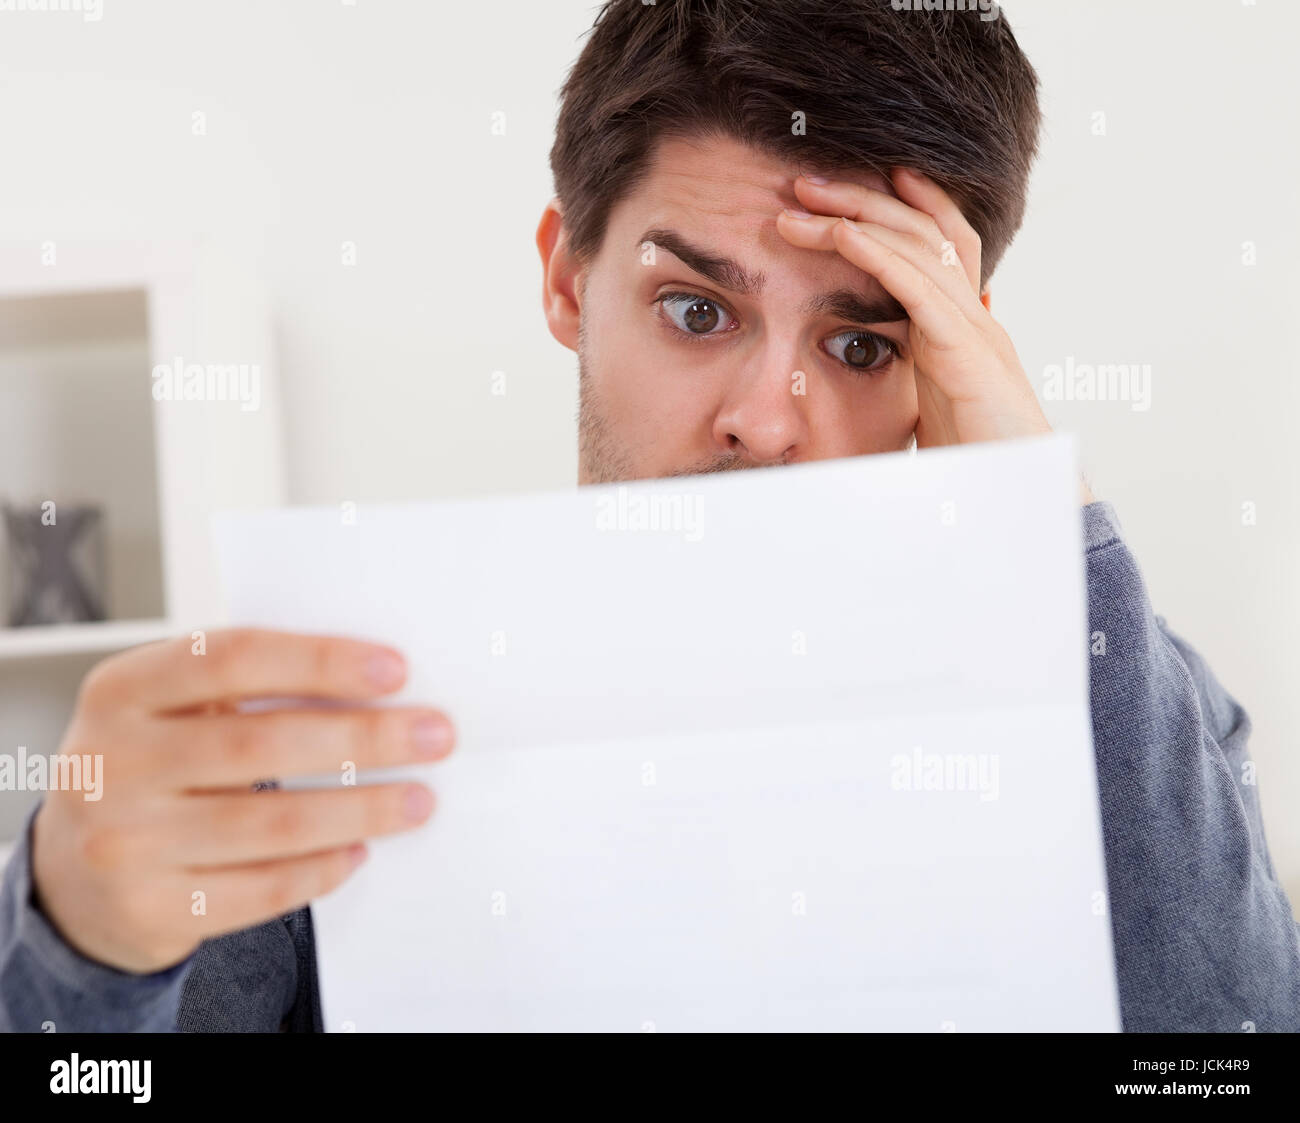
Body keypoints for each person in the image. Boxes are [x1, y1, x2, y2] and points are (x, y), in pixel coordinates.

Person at [3, 0, 1298, 1032]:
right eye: (697, 309)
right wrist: (82, 956)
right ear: (567, 279)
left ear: (959, 360)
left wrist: (1036, 512)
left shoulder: (1129, 708)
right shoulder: (314, 731)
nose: (770, 422)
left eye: (863, 342)